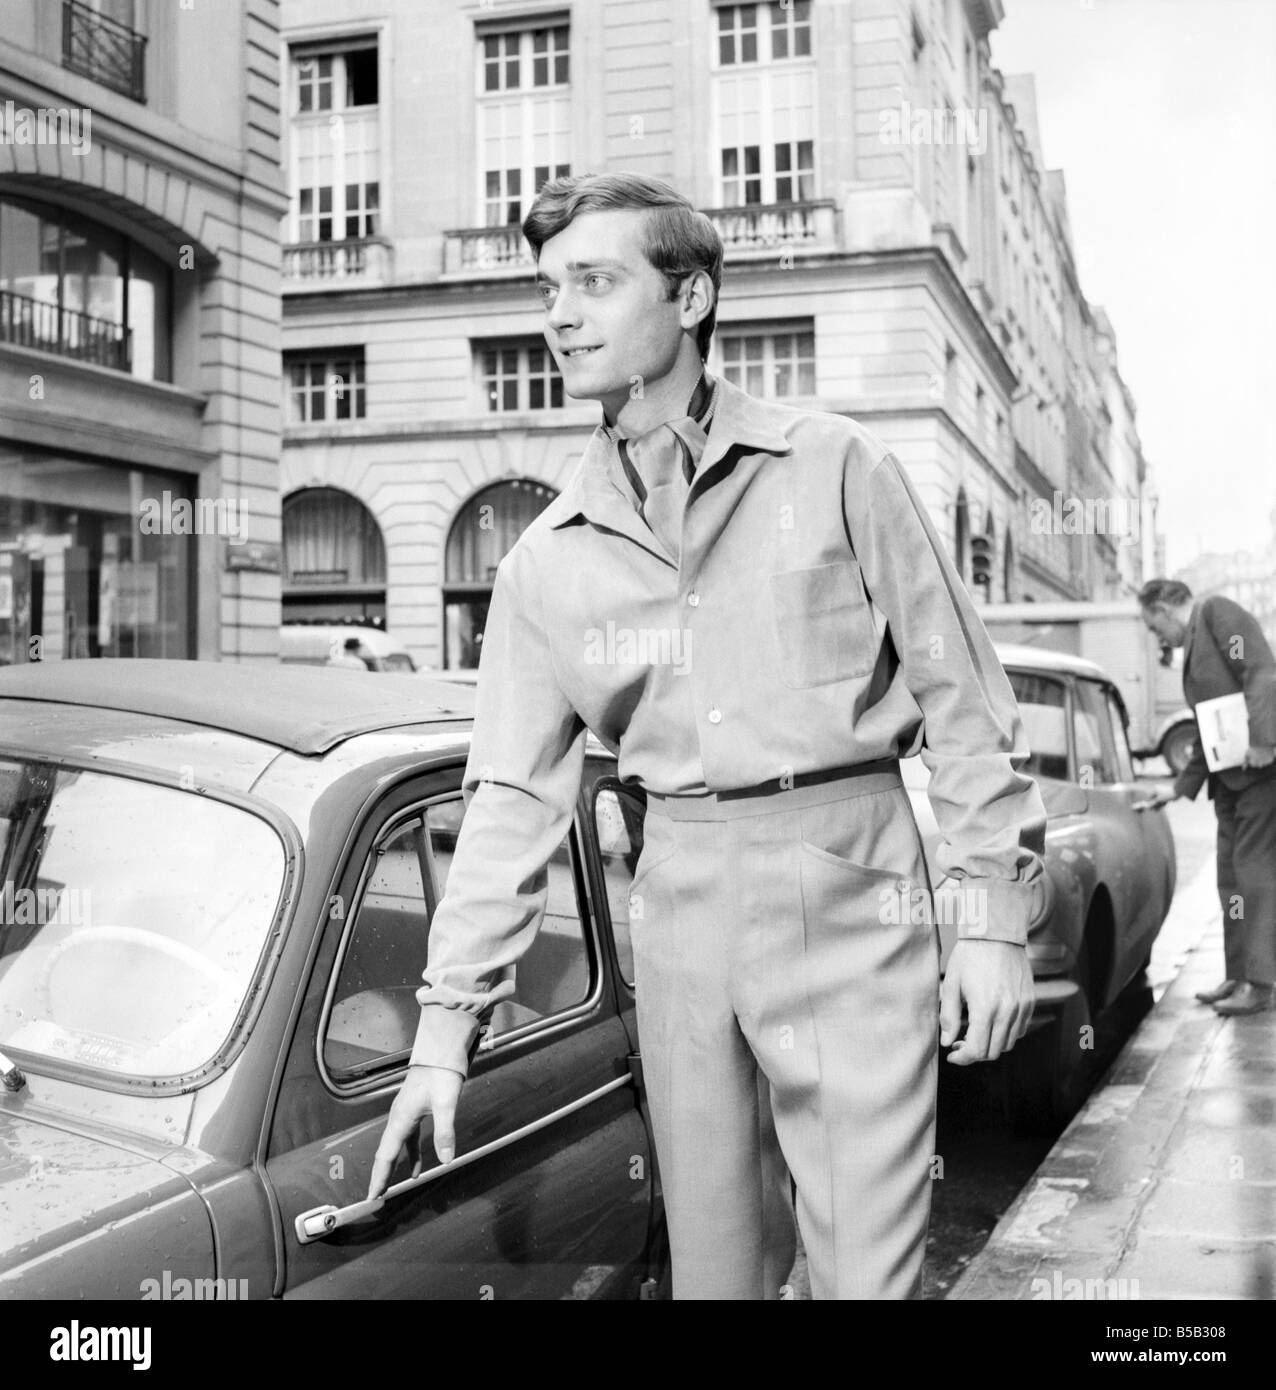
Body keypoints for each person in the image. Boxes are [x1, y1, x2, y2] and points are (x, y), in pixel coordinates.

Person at [368, 172, 1048, 1299]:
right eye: (549, 288)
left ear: (688, 299)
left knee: (865, 1276)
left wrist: (989, 921)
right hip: (678, 903)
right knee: (718, 1274)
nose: (560, 314)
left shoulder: (834, 465)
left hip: (853, 883)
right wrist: (444, 1031)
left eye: (594, 281)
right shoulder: (545, 560)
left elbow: (962, 702)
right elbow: (510, 807)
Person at [1140, 578, 1276, 1015]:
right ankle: (1238, 973)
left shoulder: (1216, 613)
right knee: (1231, 880)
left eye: (1153, 625)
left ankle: (1260, 982)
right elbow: (1206, 727)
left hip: (1257, 773)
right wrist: (1177, 790)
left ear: (1163, 608)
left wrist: (1263, 739)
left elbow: (1259, 669)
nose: (1157, 636)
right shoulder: (1197, 639)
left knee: (1254, 876)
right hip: (1230, 781)